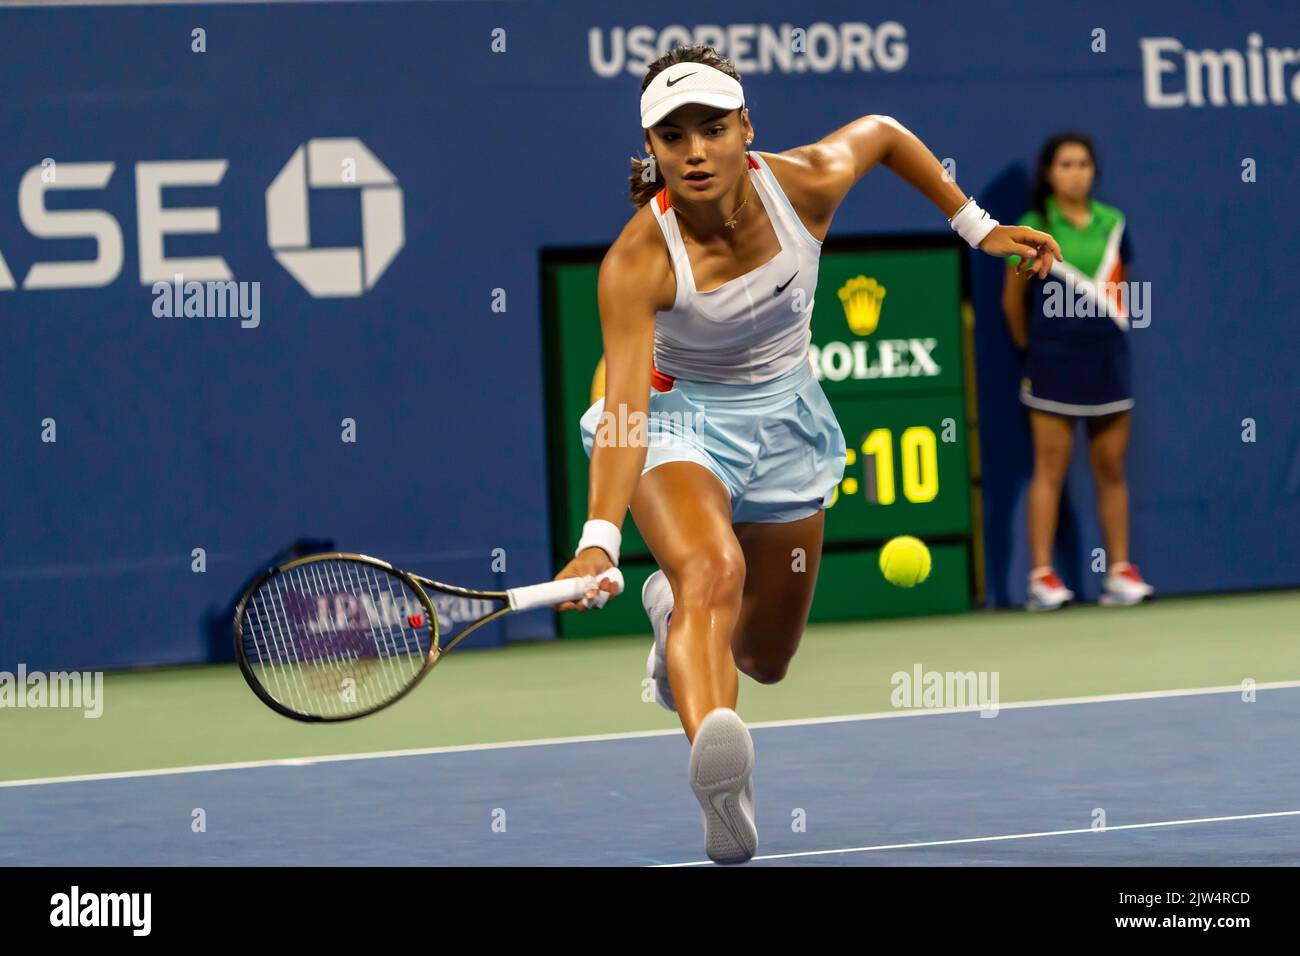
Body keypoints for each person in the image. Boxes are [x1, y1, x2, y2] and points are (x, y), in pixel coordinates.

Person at [553, 44, 1061, 864]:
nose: (693, 151)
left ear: (745, 129)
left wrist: (978, 226)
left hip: (787, 419)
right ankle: (723, 790)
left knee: (766, 656)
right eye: (671, 135)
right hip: (682, 425)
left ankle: (670, 619)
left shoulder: (808, 181)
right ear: (650, 150)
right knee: (711, 573)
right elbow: (623, 409)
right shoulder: (637, 262)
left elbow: (887, 133)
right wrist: (598, 538)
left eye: (712, 128)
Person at [1001, 133, 1155, 612]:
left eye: (1084, 163)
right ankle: (1041, 578)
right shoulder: (1030, 226)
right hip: (1052, 363)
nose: (1076, 172)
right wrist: (1036, 350)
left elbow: (1119, 295)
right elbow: (1012, 303)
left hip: (1108, 360)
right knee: (1050, 469)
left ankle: (1119, 573)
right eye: (1066, 164)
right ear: (1049, 172)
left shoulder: (1114, 224)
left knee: (1111, 468)